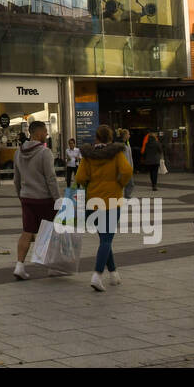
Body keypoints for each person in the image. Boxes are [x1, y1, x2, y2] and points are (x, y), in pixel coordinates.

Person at [73, 124, 131, 292]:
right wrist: (119, 183)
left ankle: (113, 273)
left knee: (104, 238)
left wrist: (90, 184)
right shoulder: (116, 153)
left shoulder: (88, 155)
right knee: (107, 239)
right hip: (112, 201)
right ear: (111, 137)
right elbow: (127, 171)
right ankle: (97, 275)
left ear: (96, 137)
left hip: (93, 201)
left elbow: (80, 177)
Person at [12, 121, 60, 280]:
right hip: (44, 198)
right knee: (49, 232)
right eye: (45, 131)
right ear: (38, 133)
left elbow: (16, 179)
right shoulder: (44, 152)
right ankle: (52, 267)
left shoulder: (18, 152)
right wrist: (57, 199)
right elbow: (51, 179)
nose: (46, 134)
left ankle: (19, 266)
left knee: (27, 231)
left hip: (27, 197)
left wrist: (21, 195)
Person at [117, 128, 136, 198]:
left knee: (129, 183)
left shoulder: (127, 143)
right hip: (124, 167)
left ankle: (126, 195)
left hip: (129, 166)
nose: (129, 135)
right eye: (128, 134)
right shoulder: (121, 145)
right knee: (128, 183)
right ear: (125, 135)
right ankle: (125, 195)